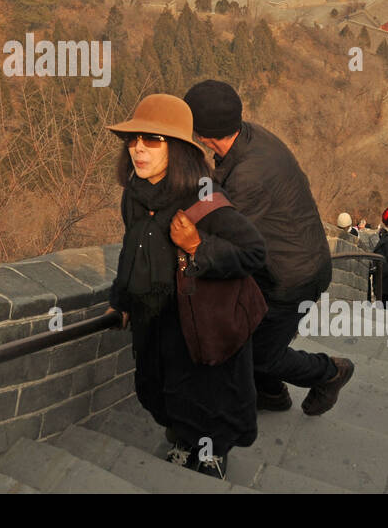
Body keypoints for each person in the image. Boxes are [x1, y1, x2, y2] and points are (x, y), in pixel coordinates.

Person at [105, 93, 267, 480]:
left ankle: (212, 452)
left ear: (176, 148)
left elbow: (253, 252)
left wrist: (198, 246)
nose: (138, 149)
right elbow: (133, 251)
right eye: (134, 140)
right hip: (153, 318)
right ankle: (180, 439)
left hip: (197, 319)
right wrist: (120, 300)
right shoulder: (134, 195)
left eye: (152, 140)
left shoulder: (204, 197)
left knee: (207, 394)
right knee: (159, 387)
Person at [183, 80, 355, 418]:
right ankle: (271, 393)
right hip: (288, 262)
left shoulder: (250, 174)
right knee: (252, 338)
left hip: (291, 277)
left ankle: (330, 372)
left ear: (203, 135)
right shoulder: (248, 136)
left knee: (261, 354)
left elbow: (226, 234)